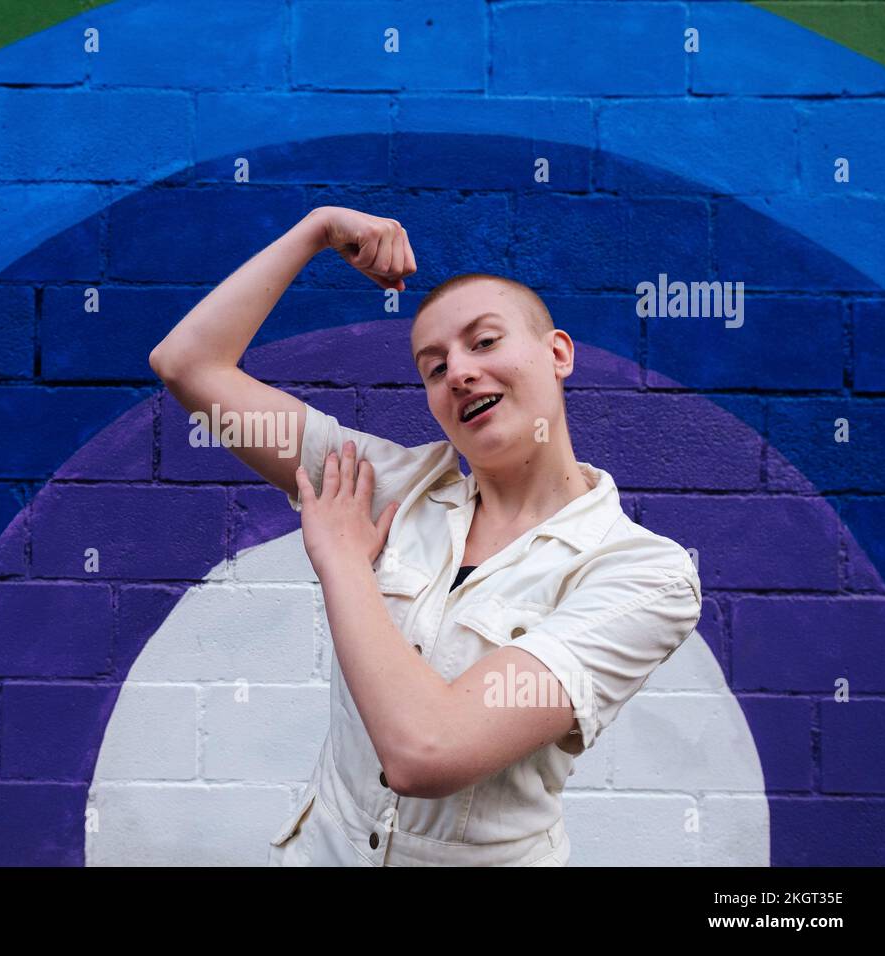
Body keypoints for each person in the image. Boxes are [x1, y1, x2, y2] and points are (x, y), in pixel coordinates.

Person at [148, 206, 703, 866]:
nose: (459, 372)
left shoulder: (642, 574)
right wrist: (316, 231)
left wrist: (344, 564)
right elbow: (188, 364)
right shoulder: (385, 486)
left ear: (557, 354)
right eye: (433, 366)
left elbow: (426, 752)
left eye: (485, 342)